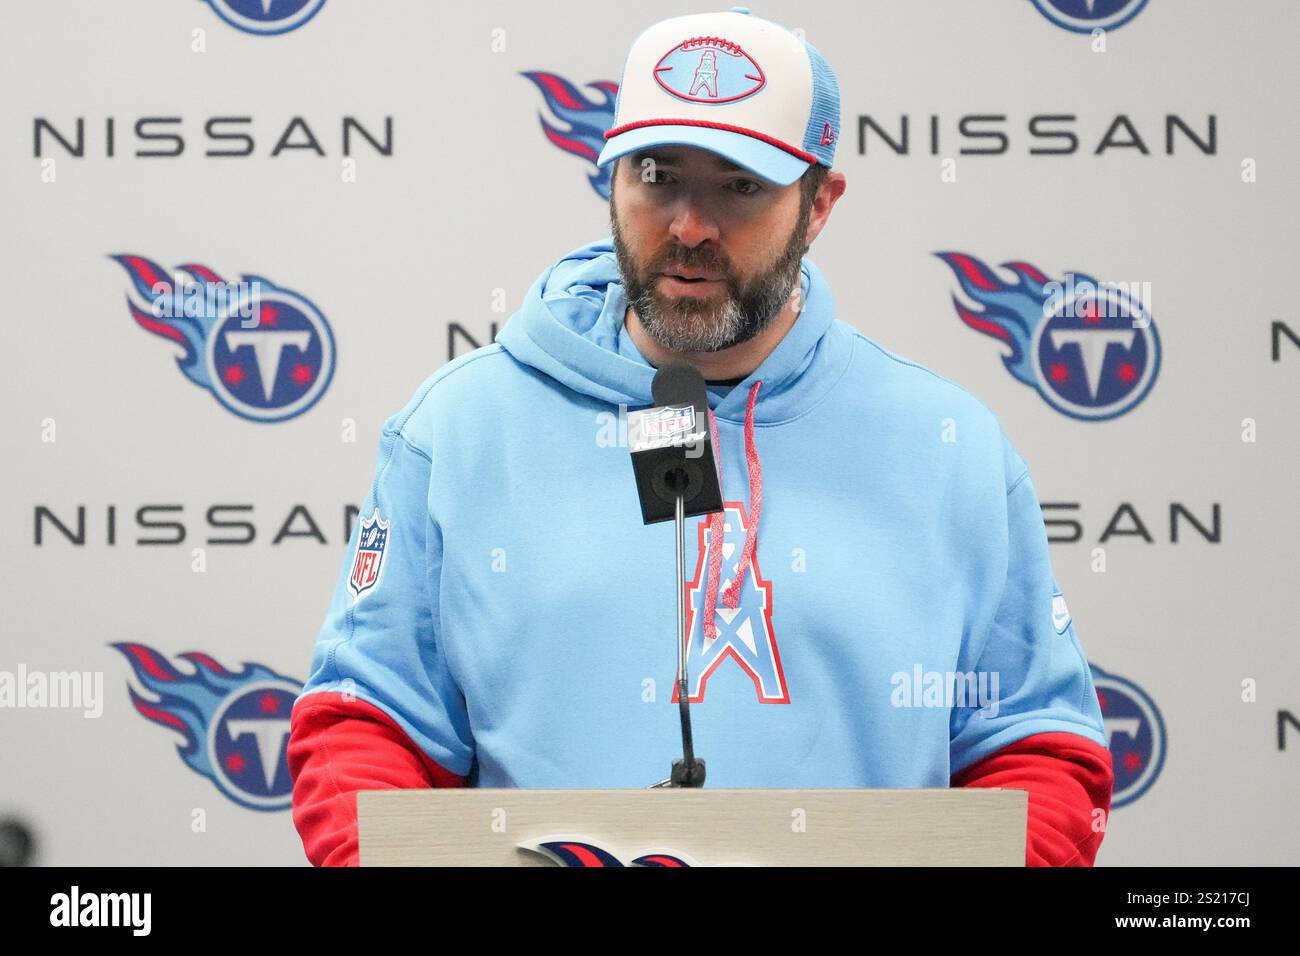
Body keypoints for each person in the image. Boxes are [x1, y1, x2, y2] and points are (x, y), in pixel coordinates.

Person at [288, 6, 1113, 867]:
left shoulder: (949, 448)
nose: (688, 226)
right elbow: (363, 725)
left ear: (821, 204)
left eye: (739, 185)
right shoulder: (457, 429)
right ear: (610, 181)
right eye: (657, 175)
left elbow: (1039, 752)